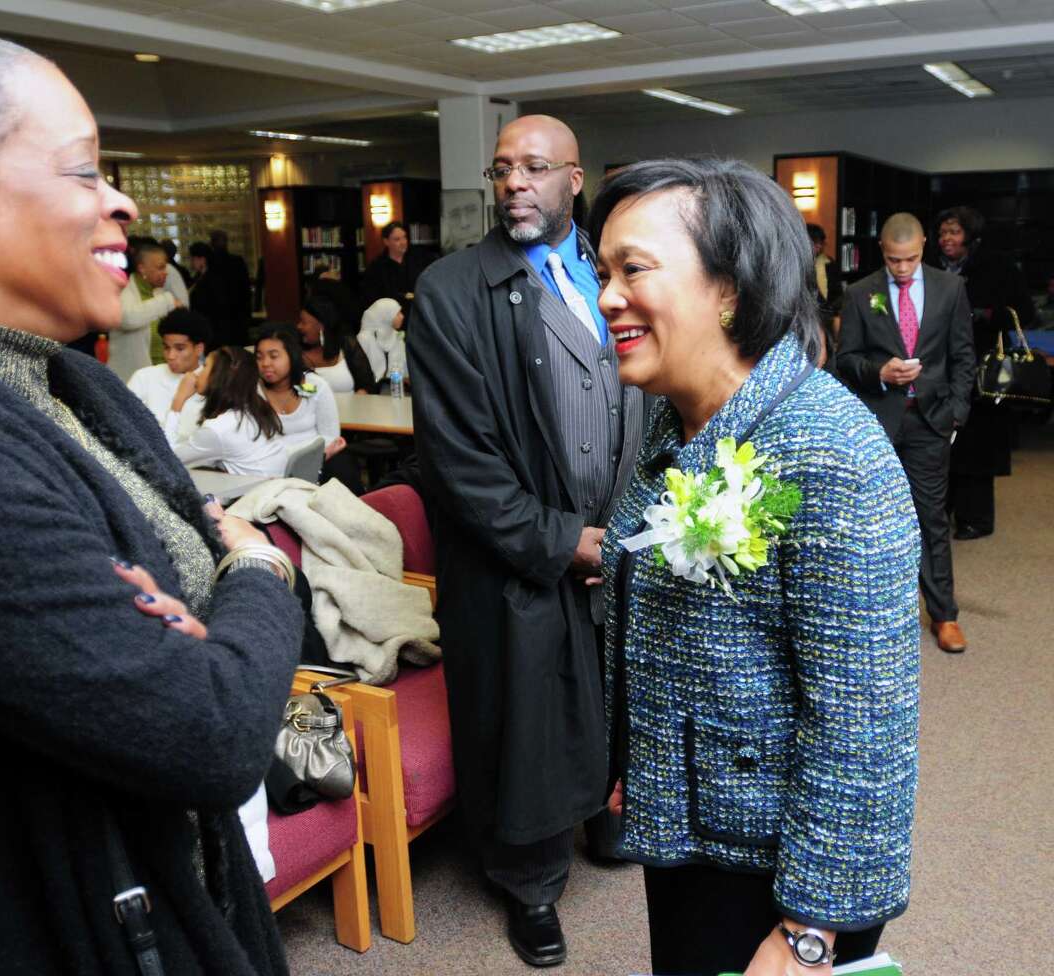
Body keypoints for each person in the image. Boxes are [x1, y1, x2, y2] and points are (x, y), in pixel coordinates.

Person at [0, 18, 301, 976]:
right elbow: (211, 727)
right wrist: (258, 569)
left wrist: (202, 628)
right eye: (83, 171)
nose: (121, 203)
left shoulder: (73, 384)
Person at [590, 157, 921, 976]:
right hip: (692, 830)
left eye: (633, 268)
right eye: (600, 271)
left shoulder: (828, 448)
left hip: (776, 873)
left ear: (730, 289)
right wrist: (641, 758)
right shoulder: (676, 426)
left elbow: (864, 721)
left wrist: (812, 932)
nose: (606, 297)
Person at [408, 114, 647, 968]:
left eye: (536, 168)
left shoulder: (606, 274)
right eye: (502, 168)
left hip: (615, 536)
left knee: (607, 690)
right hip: (519, 550)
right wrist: (559, 539)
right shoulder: (449, 290)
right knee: (525, 724)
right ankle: (530, 885)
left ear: (574, 182)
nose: (514, 183)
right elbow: (458, 462)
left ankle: (604, 815)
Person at [838, 213, 976, 654]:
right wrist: (879, 371)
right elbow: (845, 361)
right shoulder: (860, 294)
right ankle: (872, 614)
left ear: (923, 249)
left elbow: (962, 355)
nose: (902, 269)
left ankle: (944, 615)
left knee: (930, 518)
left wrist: (955, 413)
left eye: (911, 259)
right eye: (895, 260)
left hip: (930, 420)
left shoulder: (949, 288)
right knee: (871, 520)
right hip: (878, 420)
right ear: (882, 250)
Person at [934, 206, 1036, 539]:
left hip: (984, 368)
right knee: (943, 445)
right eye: (943, 232)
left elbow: (1025, 313)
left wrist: (985, 315)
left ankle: (975, 518)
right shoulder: (931, 266)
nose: (946, 239)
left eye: (954, 232)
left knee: (977, 448)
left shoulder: (997, 265)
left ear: (971, 236)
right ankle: (943, 509)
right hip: (941, 367)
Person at [255, 325, 364, 493]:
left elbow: (331, 436)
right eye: (259, 357)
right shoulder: (253, 391)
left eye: (274, 356)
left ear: (292, 355)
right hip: (270, 465)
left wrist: (307, 460)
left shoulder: (315, 385)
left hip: (317, 459)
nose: (265, 363)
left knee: (342, 466)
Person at [167, 346, 288, 478]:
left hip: (250, 492)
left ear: (218, 376)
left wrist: (178, 399)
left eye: (205, 366)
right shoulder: (257, 407)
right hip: (274, 485)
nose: (197, 373)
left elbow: (166, 457)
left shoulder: (218, 428)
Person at [126, 307, 208, 437]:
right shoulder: (144, 377)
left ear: (199, 349)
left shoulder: (214, 383)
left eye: (179, 349)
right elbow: (125, 423)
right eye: (166, 347)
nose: (171, 355)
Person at [113, 239, 181, 381]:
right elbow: (127, 318)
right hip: (130, 378)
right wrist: (166, 302)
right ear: (142, 268)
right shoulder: (124, 291)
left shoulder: (157, 293)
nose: (166, 273)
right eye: (160, 267)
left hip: (160, 374)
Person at [295, 293, 377, 395]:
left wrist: (360, 395)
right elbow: (295, 391)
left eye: (303, 322)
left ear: (321, 326)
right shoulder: (296, 352)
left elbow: (367, 383)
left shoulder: (345, 344)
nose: (299, 326)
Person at [360, 220, 434, 320]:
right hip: (391, 318)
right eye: (397, 239)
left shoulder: (418, 260)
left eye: (404, 237)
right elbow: (373, 298)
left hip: (417, 314)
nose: (403, 242)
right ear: (386, 242)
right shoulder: (377, 268)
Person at [806, 223, 842, 371]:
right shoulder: (801, 265)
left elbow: (837, 291)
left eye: (820, 244)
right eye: (815, 244)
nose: (818, 248)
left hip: (829, 315)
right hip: (810, 318)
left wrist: (833, 310)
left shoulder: (830, 263)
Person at [209, 228, 252, 346]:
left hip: (218, 319)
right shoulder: (237, 262)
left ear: (211, 244)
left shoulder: (210, 264)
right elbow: (246, 290)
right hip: (238, 314)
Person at [187, 240, 233, 348]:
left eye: (193, 259)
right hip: (205, 327)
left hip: (213, 329)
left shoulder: (212, 279)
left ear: (202, 259)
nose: (191, 262)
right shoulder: (198, 277)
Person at [358, 297, 407, 387]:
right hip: (370, 392)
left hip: (396, 388)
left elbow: (404, 370)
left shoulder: (397, 337)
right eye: (397, 313)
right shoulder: (365, 339)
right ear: (386, 315)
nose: (402, 316)